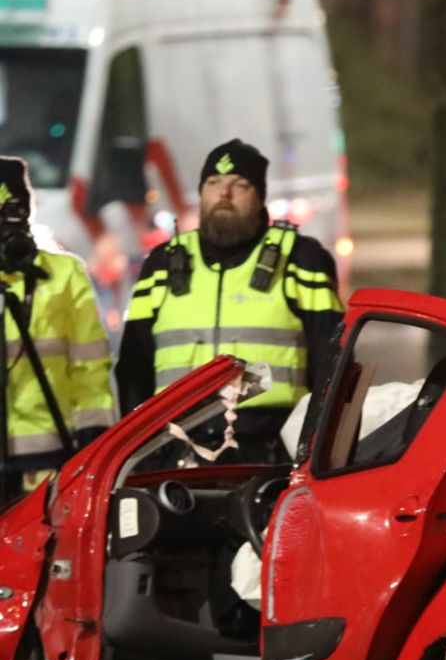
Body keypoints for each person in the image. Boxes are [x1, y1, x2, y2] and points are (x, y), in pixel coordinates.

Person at [116, 138, 343, 462]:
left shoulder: (300, 259)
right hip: (173, 450)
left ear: (260, 196)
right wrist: (137, 454)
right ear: (201, 193)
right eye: (213, 183)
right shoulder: (162, 263)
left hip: (272, 454)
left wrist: (316, 451)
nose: (224, 193)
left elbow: (332, 364)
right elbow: (133, 370)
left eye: (240, 184)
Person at [0, 156, 114, 502]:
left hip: (49, 455)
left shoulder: (63, 274)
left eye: (12, 209)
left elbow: (91, 368)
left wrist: (95, 440)